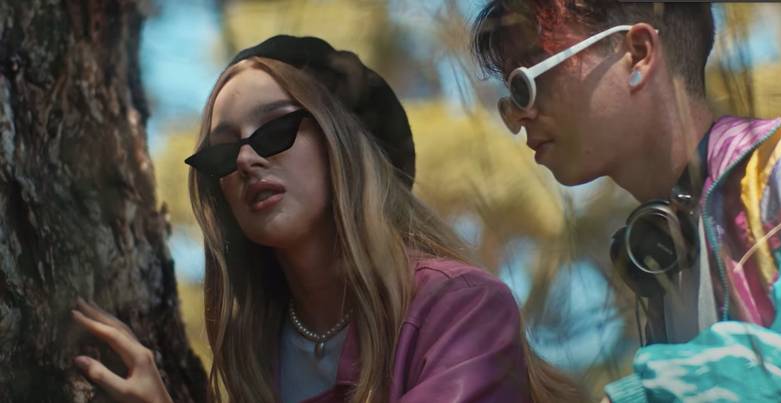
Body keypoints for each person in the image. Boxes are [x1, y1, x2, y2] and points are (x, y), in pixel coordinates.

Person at [70, 35, 583, 403]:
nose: (245, 159)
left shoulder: (463, 309)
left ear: (343, 144)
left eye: (275, 131)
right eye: (222, 152)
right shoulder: (253, 357)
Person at [471, 1, 781, 402]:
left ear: (638, 54)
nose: (519, 115)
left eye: (526, 82)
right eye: (510, 98)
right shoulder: (660, 247)